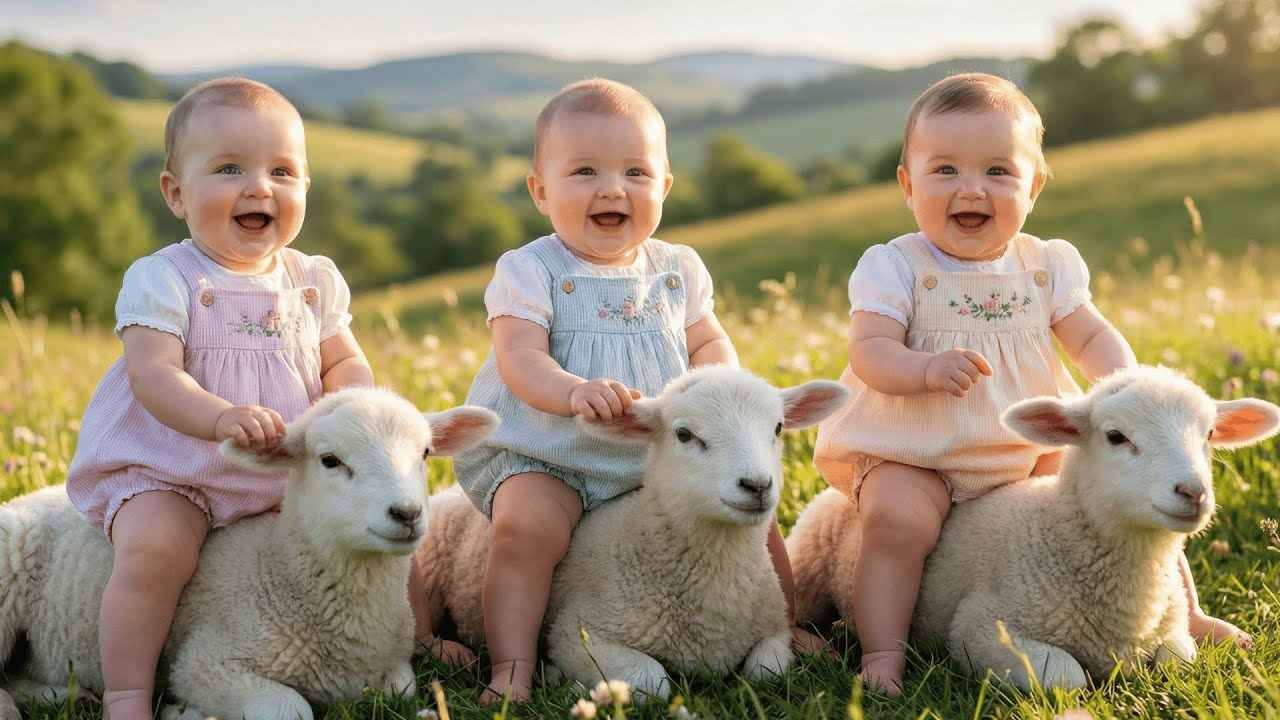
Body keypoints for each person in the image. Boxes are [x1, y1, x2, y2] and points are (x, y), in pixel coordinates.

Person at [812, 72, 1249, 696]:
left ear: (1033, 186)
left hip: (1025, 447)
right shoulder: (895, 267)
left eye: (997, 171)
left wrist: (1122, 386)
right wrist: (925, 369)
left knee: (1115, 499)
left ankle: (1185, 612)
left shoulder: (1047, 265)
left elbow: (1092, 336)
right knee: (896, 523)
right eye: (945, 171)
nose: (972, 189)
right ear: (908, 185)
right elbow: (872, 350)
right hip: (917, 450)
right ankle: (883, 652)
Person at [432, 77, 816, 705]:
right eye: (584, 171)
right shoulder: (531, 271)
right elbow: (520, 359)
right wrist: (573, 391)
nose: (613, 188)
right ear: (540, 190)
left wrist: (723, 394)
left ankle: (779, 623)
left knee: (758, 518)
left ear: (664, 186)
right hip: (550, 452)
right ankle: (512, 666)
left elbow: (709, 346)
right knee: (527, 531)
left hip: (652, 454)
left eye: (636, 172)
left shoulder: (678, 269)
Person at [65, 77, 373, 720]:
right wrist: (220, 417)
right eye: (230, 168)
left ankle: (407, 636)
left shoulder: (312, 280)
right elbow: (155, 377)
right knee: (157, 550)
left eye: (283, 171)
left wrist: (346, 408)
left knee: (371, 530)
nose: (260, 186)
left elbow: (343, 360)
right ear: (176, 193)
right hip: (174, 467)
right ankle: (126, 695)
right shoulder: (166, 278)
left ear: (305, 189)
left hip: (276, 475)